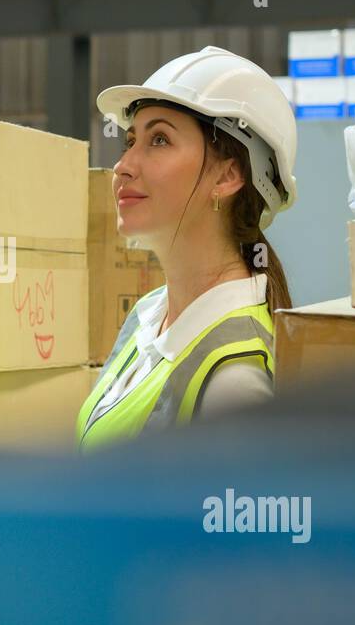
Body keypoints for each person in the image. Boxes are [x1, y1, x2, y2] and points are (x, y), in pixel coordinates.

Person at [76, 45, 298, 452]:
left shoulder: (235, 380)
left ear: (228, 175)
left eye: (158, 140)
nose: (123, 165)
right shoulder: (148, 315)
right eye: (130, 141)